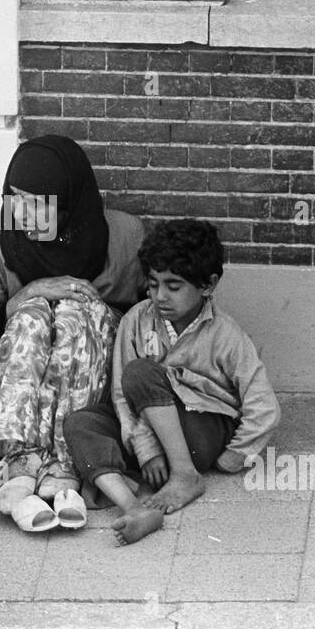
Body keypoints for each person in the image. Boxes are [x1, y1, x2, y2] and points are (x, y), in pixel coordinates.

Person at [0, 135, 145, 532]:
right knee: (34, 312)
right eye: (16, 198)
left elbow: (144, 324)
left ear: (71, 200)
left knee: (75, 311)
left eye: (39, 203)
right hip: (17, 372)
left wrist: (87, 313)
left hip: (89, 375)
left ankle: (66, 463)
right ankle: (19, 462)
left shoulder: (124, 238)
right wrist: (26, 294)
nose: (23, 213)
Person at [65, 220, 281, 545]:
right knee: (80, 423)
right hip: (145, 432)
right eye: (153, 284)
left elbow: (264, 408)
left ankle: (184, 475)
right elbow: (122, 395)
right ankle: (135, 508)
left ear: (208, 285)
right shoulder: (137, 320)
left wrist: (233, 458)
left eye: (173, 286)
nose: (160, 296)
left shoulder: (226, 334)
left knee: (141, 371)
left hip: (200, 432)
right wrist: (146, 446)